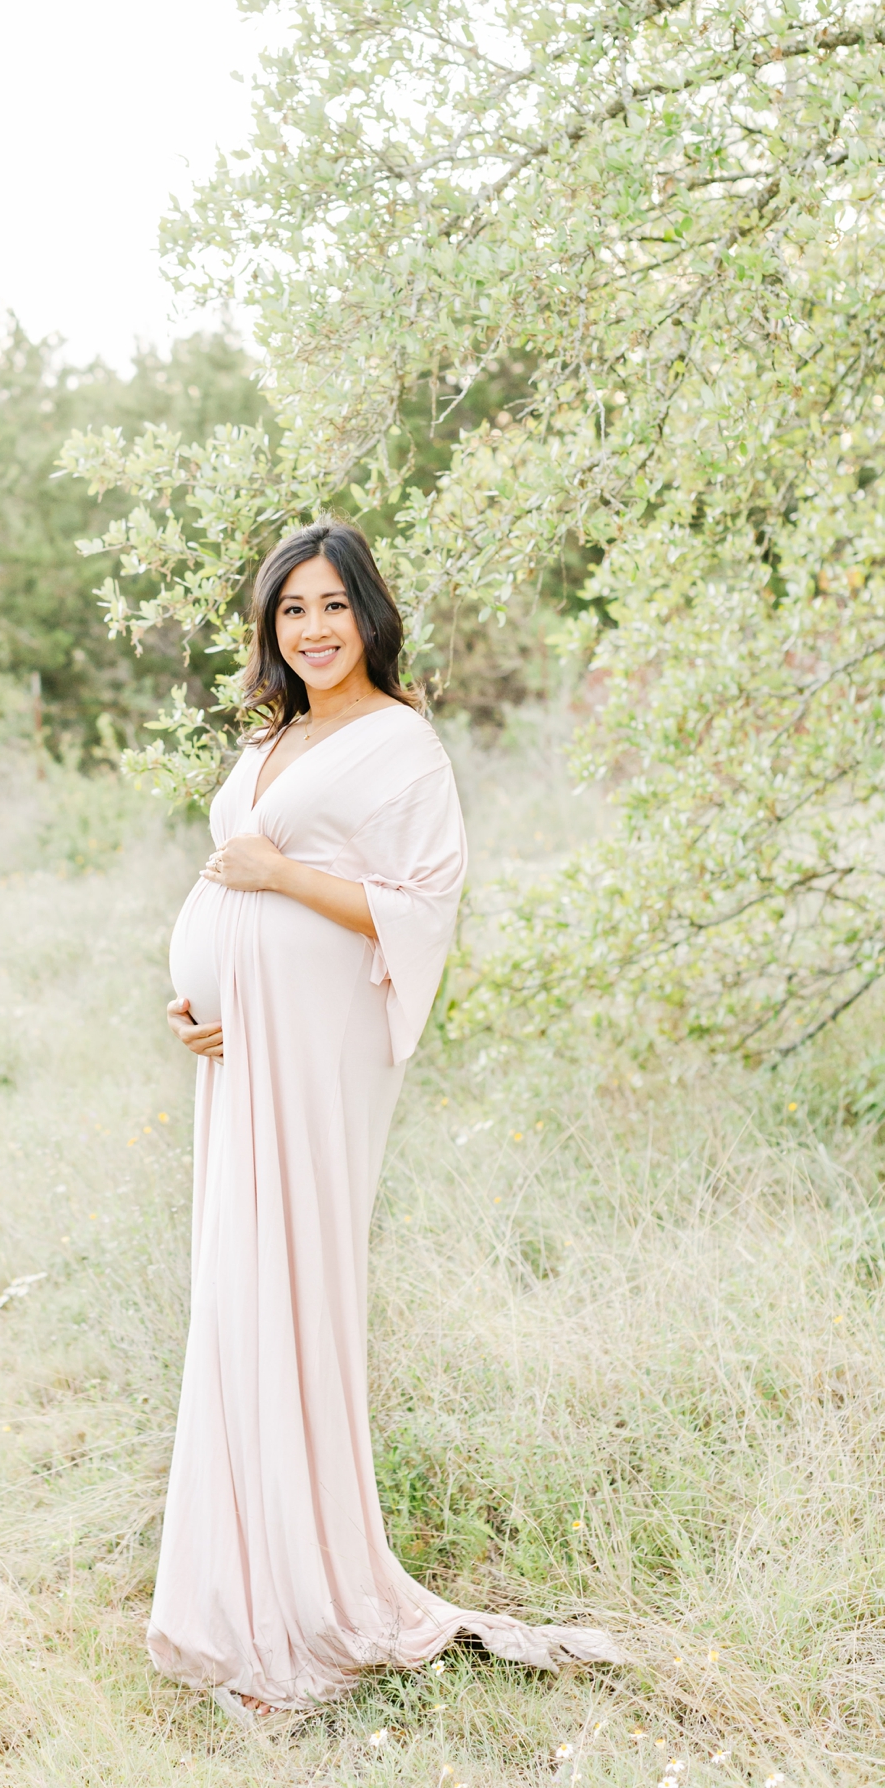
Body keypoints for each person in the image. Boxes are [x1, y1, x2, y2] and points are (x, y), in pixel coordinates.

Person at [150, 519, 620, 1720]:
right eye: (289, 610)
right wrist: (192, 995)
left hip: (317, 1053)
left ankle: (309, 1587)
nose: (309, 629)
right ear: (269, 629)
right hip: (238, 1051)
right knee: (231, 1288)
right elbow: (227, 885)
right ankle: (239, 1579)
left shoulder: (399, 741)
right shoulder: (279, 734)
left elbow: (421, 902)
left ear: (367, 615)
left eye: (330, 606)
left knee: (286, 1281)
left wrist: (277, 884)